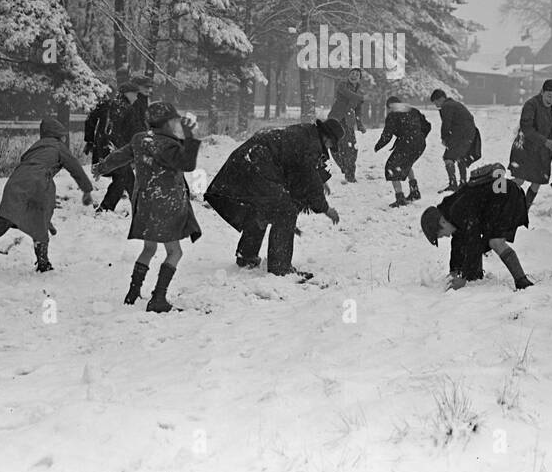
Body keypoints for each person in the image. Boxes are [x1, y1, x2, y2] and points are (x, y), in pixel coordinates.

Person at [0, 118, 93, 276]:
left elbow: (28, 170)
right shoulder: (58, 147)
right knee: (39, 225)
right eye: (63, 135)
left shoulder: (34, 148)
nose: (64, 138)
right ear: (58, 135)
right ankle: (43, 263)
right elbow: (75, 168)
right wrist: (87, 190)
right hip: (38, 185)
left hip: (15, 183)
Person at [204, 119, 343, 279]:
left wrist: (319, 180)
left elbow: (301, 167)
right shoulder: (310, 142)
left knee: (260, 207)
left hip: (246, 161)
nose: (330, 148)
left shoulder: (307, 134)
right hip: (256, 164)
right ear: (327, 138)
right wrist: (325, 209)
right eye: (332, 144)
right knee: (285, 210)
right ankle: (280, 267)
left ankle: (247, 256)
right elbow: (308, 176)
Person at [97, 101, 201, 312]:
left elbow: (120, 156)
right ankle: (158, 299)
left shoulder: (139, 140)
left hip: (144, 203)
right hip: (167, 204)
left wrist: (101, 166)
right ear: (167, 123)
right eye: (174, 120)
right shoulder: (169, 145)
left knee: (149, 248)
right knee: (174, 252)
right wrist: (190, 137)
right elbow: (187, 163)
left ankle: (133, 293)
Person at [419, 163, 533, 291]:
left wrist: (463, 277)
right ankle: (475, 274)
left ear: (442, 222)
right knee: (472, 239)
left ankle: (522, 281)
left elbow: (474, 242)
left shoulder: (458, 211)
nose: (445, 236)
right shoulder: (450, 212)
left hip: (507, 197)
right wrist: (454, 270)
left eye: (441, 234)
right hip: (496, 202)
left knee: (495, 241)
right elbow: (458, 241)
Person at [89, 73, 152, 213]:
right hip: (114, 149)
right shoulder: (124, 108)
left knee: (123, 179)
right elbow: (119, 131)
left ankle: (106, 208)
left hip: (111, 148)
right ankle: (138, 209)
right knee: (127, 178)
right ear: (128, 93)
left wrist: (91, 141)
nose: (136, 97)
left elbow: (95, 122)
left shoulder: (113, 104)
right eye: (135, 94)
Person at [508, 78, 552, 210]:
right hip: (524, 149)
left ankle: (524, 209)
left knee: (537, 182)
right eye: (549, 96)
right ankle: (500, 201)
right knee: (519, 180)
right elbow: (527, 129)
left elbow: (549, 131)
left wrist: (550, 149)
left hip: (541, 151)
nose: (551, 100)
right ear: (542, 91)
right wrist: (545, 142)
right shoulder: (530, 105)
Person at [373, 95, 431, 206]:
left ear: (390, 106)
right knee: (406, 163)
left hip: (407, 142)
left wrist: (378, 146)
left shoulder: (392, 115)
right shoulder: (413, 110)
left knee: (391, 167)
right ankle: (414, 191)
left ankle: (400, 198)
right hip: (419, 142)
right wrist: (419, 136)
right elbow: (427, 125)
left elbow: (387, 135)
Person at [430, 88, 481, 190]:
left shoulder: (447, 106)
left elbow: (446, 123)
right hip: (469, 134)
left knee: (448, 157)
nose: (436, 105)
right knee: (460, 156)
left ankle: (453, 183)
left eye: (436, 102)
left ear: (441, 99)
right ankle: (463, 183)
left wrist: (444, 138)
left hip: (461, 135)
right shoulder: (455, 104)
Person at [327, 68, 366, 182]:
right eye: (352, 73)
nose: (354, 76)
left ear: (359, 79)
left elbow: (358, 110)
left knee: (352, 148)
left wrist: (360, 124)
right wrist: (360, 98)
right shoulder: (342, 85)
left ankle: (350, 174)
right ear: (348, 75)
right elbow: (348, 94)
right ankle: (345, 167)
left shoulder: (359, 92)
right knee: (336, 146)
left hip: (348, 121)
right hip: (336, 119)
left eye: (357, 75)